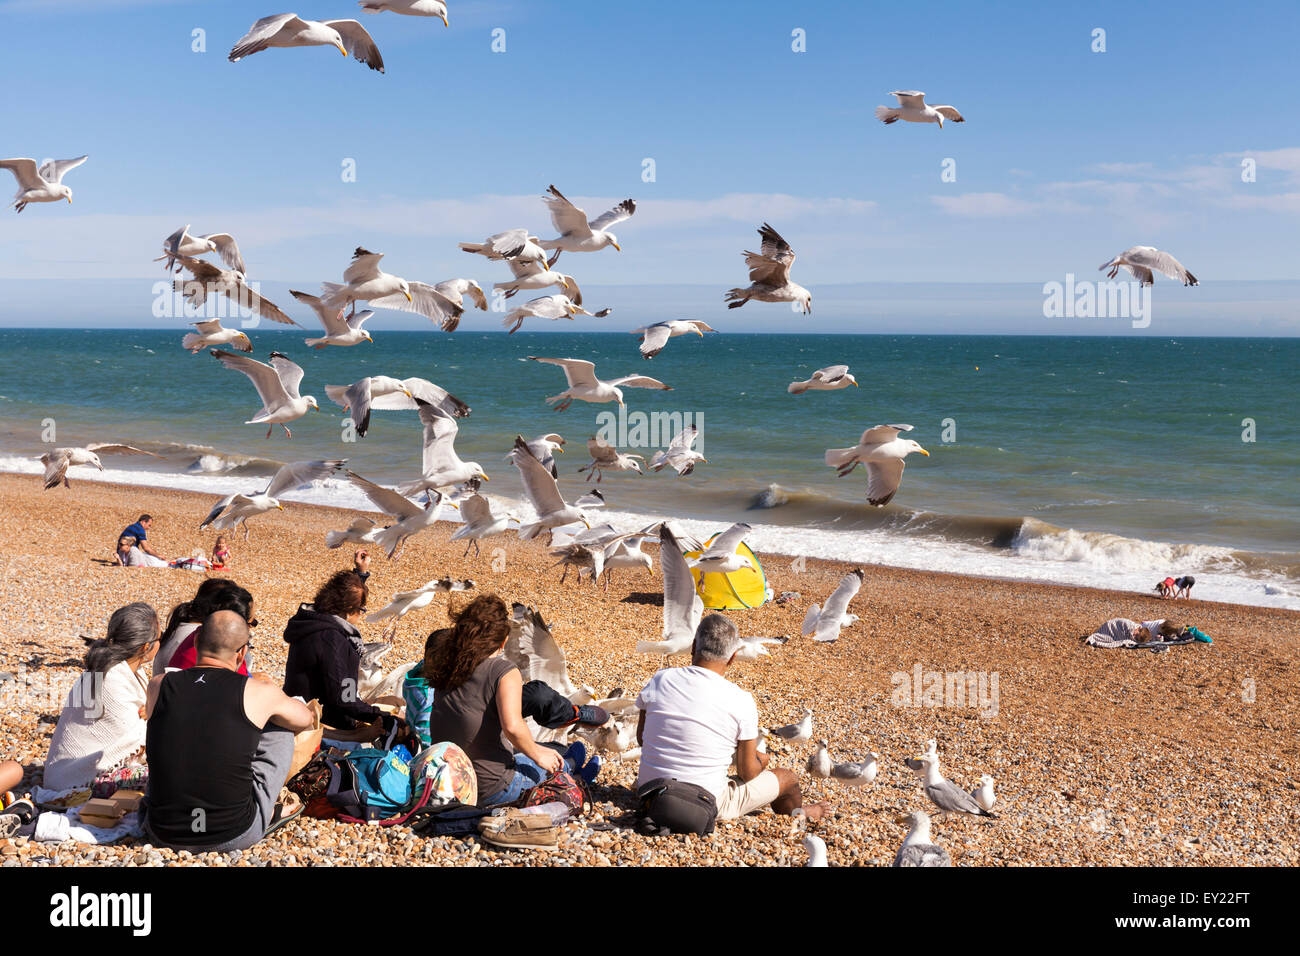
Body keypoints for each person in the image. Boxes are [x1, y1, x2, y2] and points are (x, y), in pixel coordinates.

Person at [141, 611, 314, 852]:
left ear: (195, 641)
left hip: (161, 830)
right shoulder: (257, 691)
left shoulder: (158, 685)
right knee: (280, 727)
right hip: (234, 832)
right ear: (242, 653)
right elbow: (306, 719)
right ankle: (265, 809)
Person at [635, 614, 829, 823]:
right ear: (733, 657)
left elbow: (642, 738)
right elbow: (748, 773)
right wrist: (762, 760)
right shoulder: (741, 699)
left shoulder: (660, 679)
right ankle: (798, 814)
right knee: (787, 778)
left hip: (649, 792)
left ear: (693, 647)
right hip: (705, 803)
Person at [425, 595, 601, 807]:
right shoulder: (503, 670)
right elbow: (512, 727)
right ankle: (575, 777)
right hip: (490, 789)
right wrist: (538, 755)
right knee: (553, 761)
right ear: (503, 641)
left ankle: (568, 762)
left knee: (538, 752)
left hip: (445, 783)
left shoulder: (447, 666)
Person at [406, 626, 608, 750]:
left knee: (527, 693)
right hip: (467, 755)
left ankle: (570, 715)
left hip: (471, 718)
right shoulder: (428, 700)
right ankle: (569, 726)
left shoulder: (419, 677)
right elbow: (434, 748)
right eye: (457, 656)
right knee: (535, 695)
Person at [43, 603, 158, 794]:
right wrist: (155, 711)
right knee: (167, 778)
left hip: (68, 772)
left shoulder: (115, 668)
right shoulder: (111, 677)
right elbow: (137, 739)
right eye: (159, 638)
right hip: (76, 780)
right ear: (146, 647)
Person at [282, 553, 392, 733]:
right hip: (321, 724)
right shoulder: (332, 640)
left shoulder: (311, 620)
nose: (362, 615)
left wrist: (360, 574)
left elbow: (345, 594)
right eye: (361, 610)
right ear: (349, 610)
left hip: (295, 711)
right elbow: (345, 698)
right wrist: (384, 718)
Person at [166, 584, 256, 675]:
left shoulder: (200, 635)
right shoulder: (222, 653)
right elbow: (236, 683)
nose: (250, 629)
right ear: (234, 625)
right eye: (252, 623)